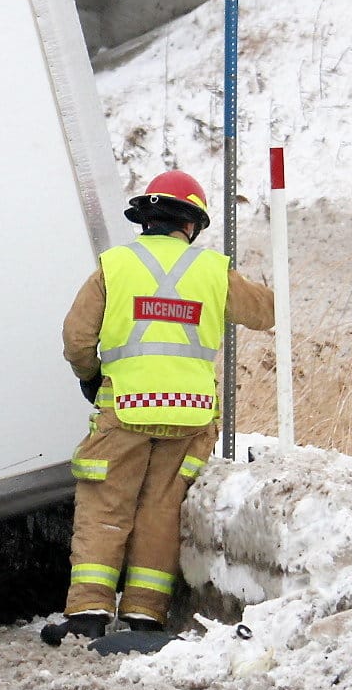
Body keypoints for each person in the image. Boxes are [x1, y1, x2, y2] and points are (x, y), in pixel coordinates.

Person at [42, 169, 274, 645]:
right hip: (190, 415)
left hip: (127, 409)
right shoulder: (212, 270)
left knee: (106, 505)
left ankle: (89, 612)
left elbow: (76, 338)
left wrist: (91, 376)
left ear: (146, 219)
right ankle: (146, 614)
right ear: (191, 224)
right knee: (162, 511)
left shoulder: (114, 266)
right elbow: (267, 313)